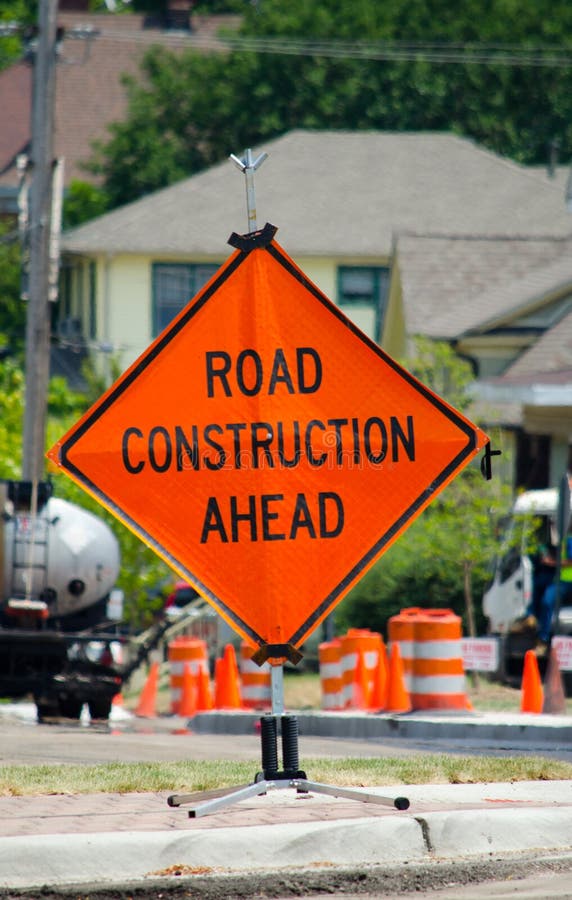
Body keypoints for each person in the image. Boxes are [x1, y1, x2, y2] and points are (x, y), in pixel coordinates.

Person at [535, 537, 572, 655]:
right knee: (540, 589)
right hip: (561, 580)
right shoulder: (566, 540)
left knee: (547, 601)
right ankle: (540, 633)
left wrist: (552, 562)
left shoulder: (570, 541)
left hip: (567, 582)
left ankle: (543, 639)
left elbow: (570, 561)